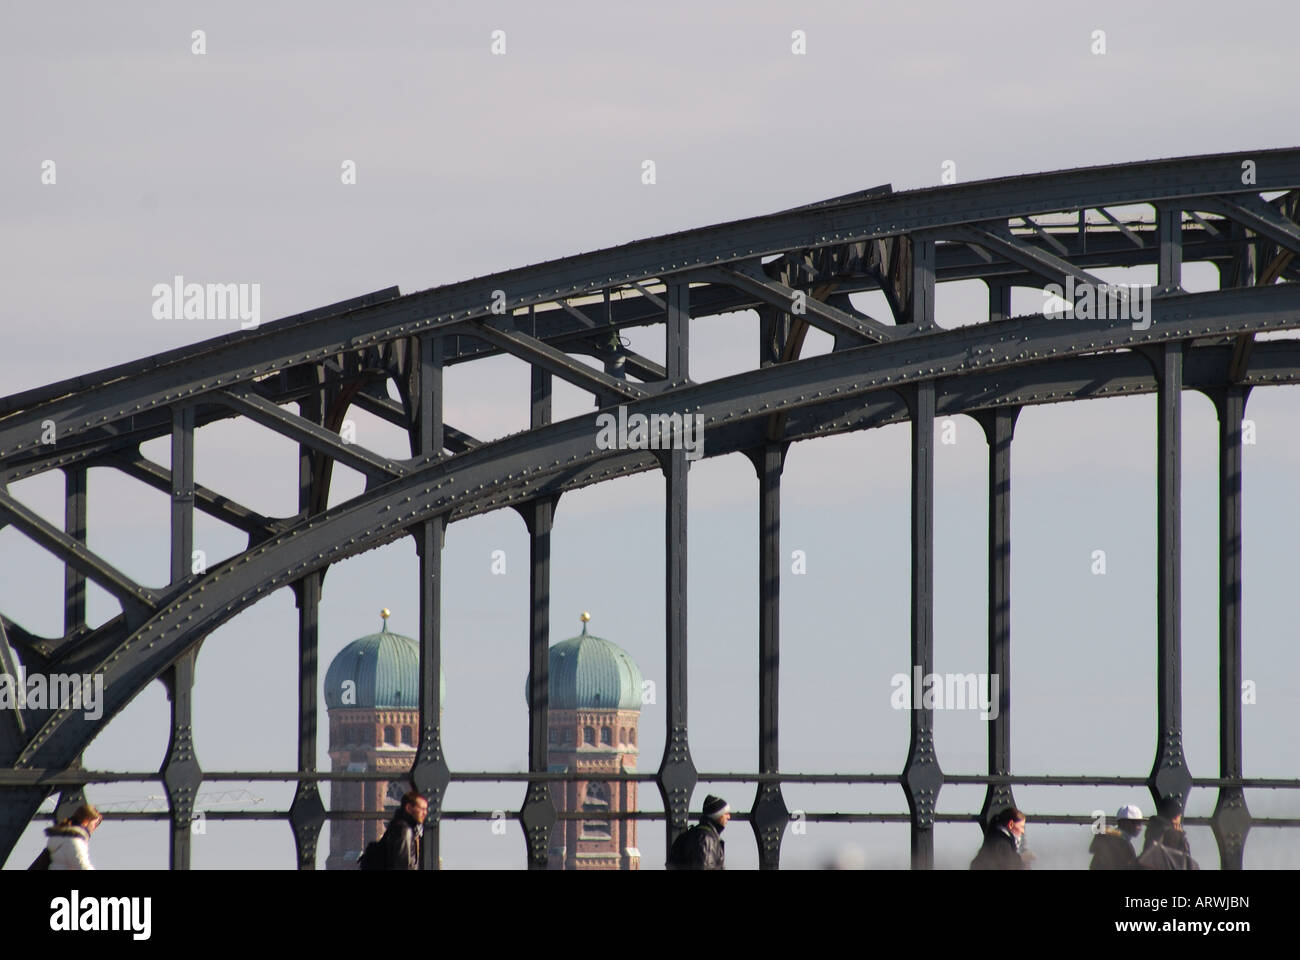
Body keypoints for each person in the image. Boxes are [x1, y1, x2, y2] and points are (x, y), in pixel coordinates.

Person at [667, 794, 729, 870]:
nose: (729, 817)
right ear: (717, 815)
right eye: (726, 813)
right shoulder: (706, 839)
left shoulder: (694, 834)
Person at [1138, 797, 1197, 870]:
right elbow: (1185, 862)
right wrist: (1181, 836)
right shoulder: (1175, 836)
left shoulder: (1152, 830)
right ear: (1176, 817)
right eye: (1180, 816)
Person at [44, 803, 102, 870]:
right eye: (95, 823)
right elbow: (82, 866)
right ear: (86, 820)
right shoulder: (74, 840)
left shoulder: (62, 837)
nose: (95, 827)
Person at [381, 789, 427, 870]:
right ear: (409, 808)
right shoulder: (404, 831)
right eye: (422, 809)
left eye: (425, 809)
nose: (425, 813)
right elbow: (402, 865)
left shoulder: (398, 827)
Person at [971, 806, 1029, 870]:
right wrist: (1021, 859)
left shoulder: (995, 839)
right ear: (1011, 824)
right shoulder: (1002, 844)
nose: (1023, 831)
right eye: (1021, 827)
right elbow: (1008, 865)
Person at [1089, 804, 1143, 870]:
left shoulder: (1109, 840)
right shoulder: (1121, 844)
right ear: (1125, 823)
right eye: (1137, 822)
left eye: (1140, 822)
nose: (1140, 827)